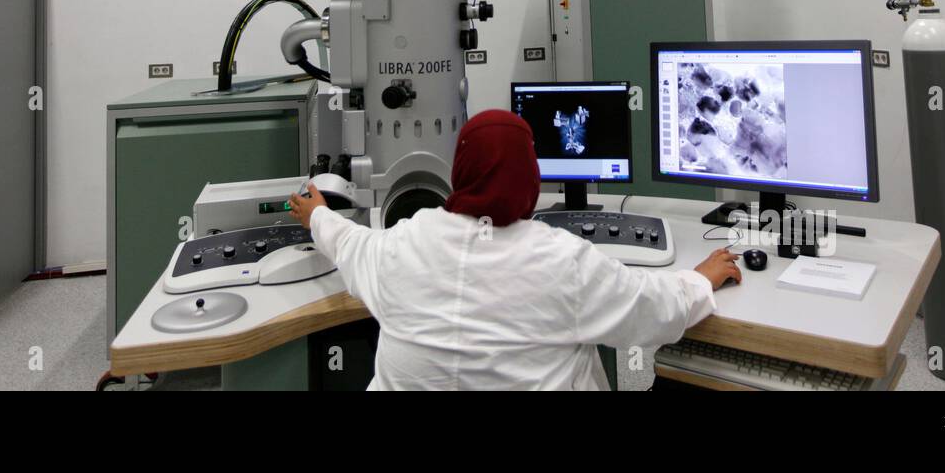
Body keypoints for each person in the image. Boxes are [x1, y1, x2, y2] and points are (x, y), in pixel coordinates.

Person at [288, 108, 741, 390]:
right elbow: (652, 311)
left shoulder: (405, 241)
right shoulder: (560, 260)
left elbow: (349, 243)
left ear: (461, 170)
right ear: (531, 177)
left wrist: (318, 215)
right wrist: (700, 279)